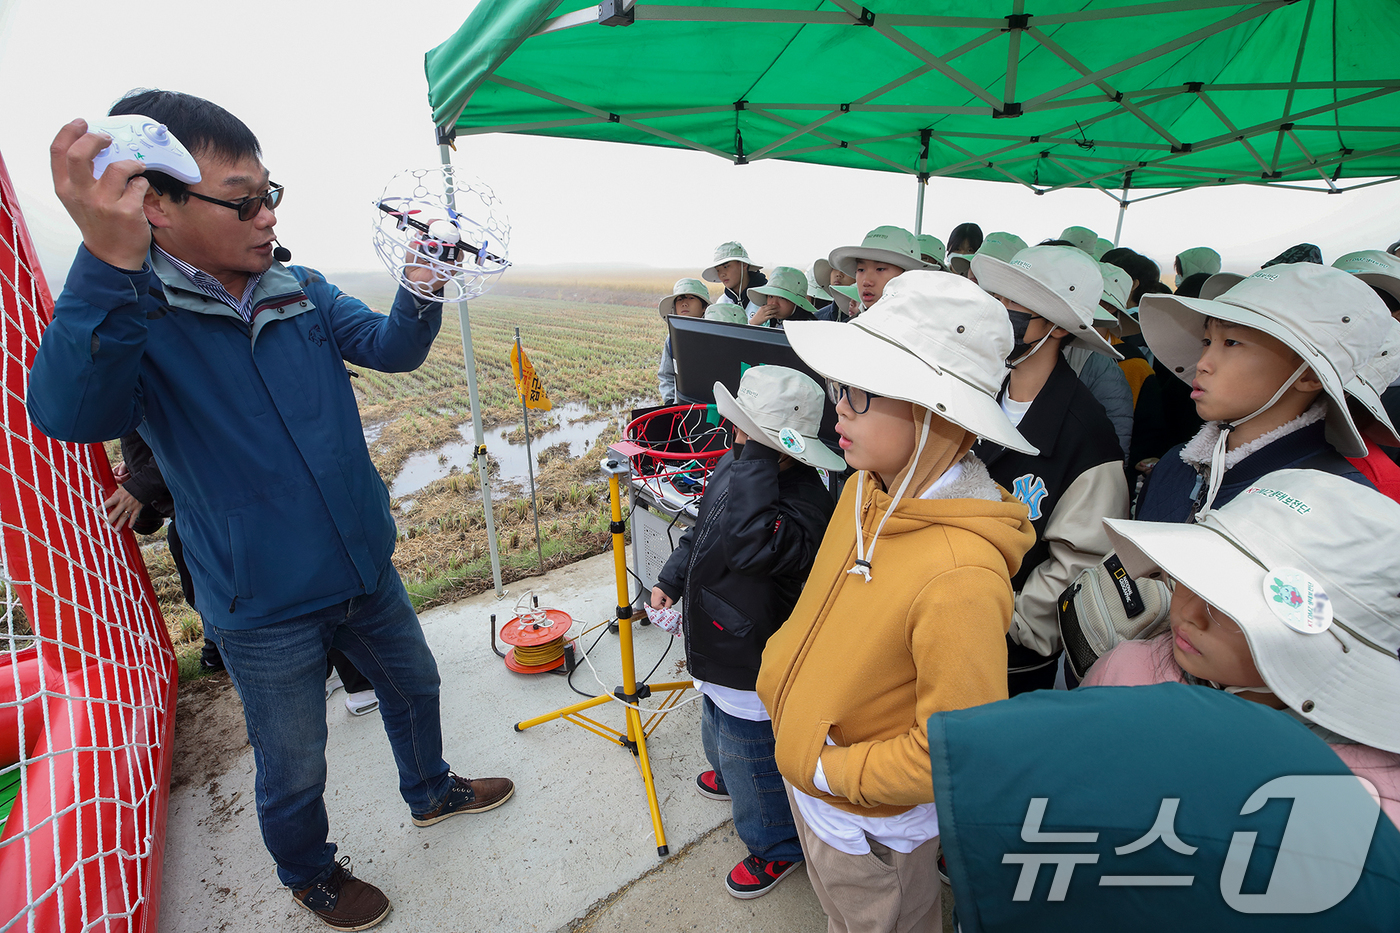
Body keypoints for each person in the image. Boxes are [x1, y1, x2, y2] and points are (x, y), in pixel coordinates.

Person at [28, 90, 512, 931]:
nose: (265, 216)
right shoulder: (138, 314)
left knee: (415, 686)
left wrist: (422, 286)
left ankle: (431, 790)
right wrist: (105, 264)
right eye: (244, 199)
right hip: (262, 603)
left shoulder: (301, 289)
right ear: (159, 208)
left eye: (270, 194)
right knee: (294, 762)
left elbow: (393, 349)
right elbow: (72, 415)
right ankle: (309, 869)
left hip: (364, 563)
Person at [758, 271, 1037, 933]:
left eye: (858, 391)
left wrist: (831, 768)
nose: (838, 411)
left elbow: (952, 747)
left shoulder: (961, 576)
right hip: (815, 778)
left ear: (933, 410)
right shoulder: (864, 489)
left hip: (869, 822)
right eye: (839, 387)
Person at [1082, 468, 1400, 828]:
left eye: (1229, 606)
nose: (1188, 613)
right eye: (1190, 578)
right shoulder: (1125, 672)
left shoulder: (1371, 797)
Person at [650, 366, 839, 899]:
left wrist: (755, 455)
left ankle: (774, 845)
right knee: (716, 727)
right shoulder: (737, 466)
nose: (732, 436)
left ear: (780, 447)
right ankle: (729, 777)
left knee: (750, 749)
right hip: (716, 638)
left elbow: (750, 547)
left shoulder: (805, 504)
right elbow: (702, 529)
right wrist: (672, 578)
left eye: (745, 431)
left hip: (751, 654)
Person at [969, 245, 1129, 694]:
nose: (1000, 314)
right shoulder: (976, 391)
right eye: (997, 299)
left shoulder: (1088, 437)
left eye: (1015, 305)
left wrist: (1008, 620)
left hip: (1006, 660)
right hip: (938, 622)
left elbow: (1080, 560)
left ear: (1057, 326)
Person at [1136, 263, 1389, 522]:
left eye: (1231, 342)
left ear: (1310, 375)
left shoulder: (1338, 508)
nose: (1202, 363)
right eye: (1206, 341)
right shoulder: (1175, 464)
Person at [828, 225, 931, 312]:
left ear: (908, 275)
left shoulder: (926, 329)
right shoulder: (852, 329)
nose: (866, 281)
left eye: (880, 269)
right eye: (861, 269)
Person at [656, 277, 711, 404]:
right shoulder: (672, 339)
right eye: (680, 299)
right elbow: (666, 375)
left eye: (691, 298)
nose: (684, 303)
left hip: (711, 409)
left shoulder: (715, 336)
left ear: (704, 307)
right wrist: (670, 401)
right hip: (681, 409)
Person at [703, 241, 767, 319]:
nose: (722, 274)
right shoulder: (722, 302)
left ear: (744, 264)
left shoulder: (767, 296)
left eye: (726, 267)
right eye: (718, 270)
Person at [748, 266, 819, 328]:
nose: (774, 303)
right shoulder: (764, 322)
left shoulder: (809, 327)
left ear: (796, 303)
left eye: (781, 298)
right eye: (771, 296)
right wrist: (753, 324)